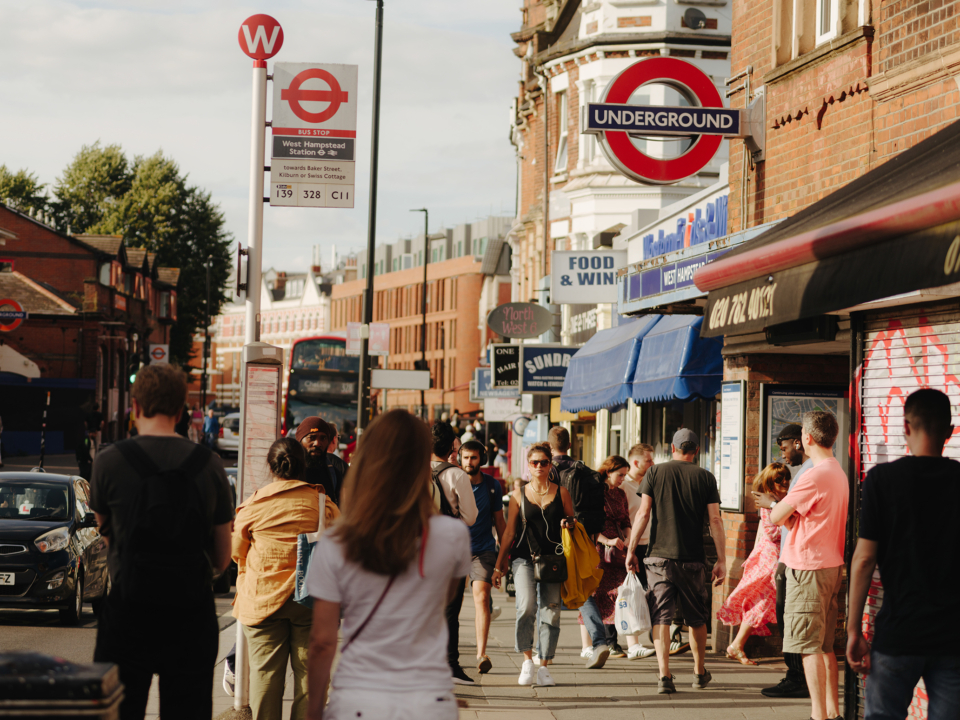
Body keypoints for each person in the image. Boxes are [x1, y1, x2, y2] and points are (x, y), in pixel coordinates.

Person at [305, 410, 471, 720]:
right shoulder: (453, 536)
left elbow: (322, 642)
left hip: (358, 699)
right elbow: (440, 604)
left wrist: (314, 709)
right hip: (428, 698)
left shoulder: (337, 542)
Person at [89, 364, 233, 720]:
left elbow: (107, 534)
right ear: (182, 411)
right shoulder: (210, 465)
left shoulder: (108, 462)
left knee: (118, 712)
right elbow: (222, 559)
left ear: (135, 408)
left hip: (128, 610)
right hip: (190, 614)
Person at [847, 389, 960, 720]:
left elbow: (864, 559)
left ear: (906, 427)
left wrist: (854, 630)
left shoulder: (882, 480)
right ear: (950, 432)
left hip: (898, 634)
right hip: (953, 638)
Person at [753, 411, 848, 720]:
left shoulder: (812, 475)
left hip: (807, 568)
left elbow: (779, 515)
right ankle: (832, 711)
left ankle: (818, 715)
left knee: (807, 646)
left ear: (807, 437)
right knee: (825, 646)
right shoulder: (837, 471)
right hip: (830, 565)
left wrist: (781, 509)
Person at [232, 438, 331, 720]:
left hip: (263, 599)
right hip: (311, 600)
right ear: (303, 466)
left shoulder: (252, 505)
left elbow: (237, 552)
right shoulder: (322, 503)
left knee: (265, 678)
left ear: (271, 466)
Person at [625, 428, 726, 694]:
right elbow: (715, 520)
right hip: (692, 558)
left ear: (673, 448)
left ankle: (664, 676)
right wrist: (722, 560)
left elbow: (643, 514)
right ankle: (699, 672)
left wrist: (631, 551)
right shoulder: (705, 477)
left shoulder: (655, 473)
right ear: (696, 450)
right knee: (696, 618)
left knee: (662, 617)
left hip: (658, 557)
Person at [493, 442, 575, 687]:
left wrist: (568, 523)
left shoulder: (561, 492)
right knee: (526, 606)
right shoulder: (518, 494)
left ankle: (544, 666)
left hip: (553, 560)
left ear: (550, 464)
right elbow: (508, 533)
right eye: (534, 462)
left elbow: (574, 523)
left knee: (551, 611)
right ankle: (527, 660)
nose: (539, 466)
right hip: (524, 559)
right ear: (527, 465)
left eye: (544, 462)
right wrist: (499, 566)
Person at [718, 462, 791, 664]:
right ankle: (737, 645)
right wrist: (791, 522)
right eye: (779, 479)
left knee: (765, 601)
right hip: (770, 559)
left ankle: (736, 645)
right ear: (769, 483)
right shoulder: (769, 503)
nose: (784, 481)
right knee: (764, 601)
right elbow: (772, 532)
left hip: (778, 558)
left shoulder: (782, 499)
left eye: (786, 477)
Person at [548, 427, 607, 668]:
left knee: (547, 595)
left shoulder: (545, 470)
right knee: (583, 591)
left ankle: (543, 654)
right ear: (570, 445)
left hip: (552, 540)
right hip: (579, 538)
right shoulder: (585, 472)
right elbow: (597, 514)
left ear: (550, 447)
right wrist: (590, 541)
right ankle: (600, 641)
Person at [762, 423, 811, 698]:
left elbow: (787, 517)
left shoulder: (808, 472)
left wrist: (772, 504)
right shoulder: (803, 471)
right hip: (789, 556)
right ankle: (795, 674)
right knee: (785, 617)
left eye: (784, 448)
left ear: (797, 442)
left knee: (789, 619)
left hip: (795, 559)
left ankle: (796, 677)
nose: (783, 455)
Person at [430, 421, 479, 685]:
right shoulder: (457, 475)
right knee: (450, 609)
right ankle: (450, 665)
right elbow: (470, 517)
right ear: (452, 447)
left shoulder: (413, 471)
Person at [577, 456, 632, 661]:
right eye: (620, 475)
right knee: (592, 594)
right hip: (596, 548)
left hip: (617, 550)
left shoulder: (620, 493)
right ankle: (587, 645)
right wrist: (606, 540)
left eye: (625, 475)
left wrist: (626, 540)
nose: (622, 479)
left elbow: (626, 519)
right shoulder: (594, 491)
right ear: (608, 472)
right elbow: (587, 524)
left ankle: (612, 642)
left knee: (618, 594)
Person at [459, 439, 506, 675]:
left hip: (483, 550)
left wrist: (503, 558)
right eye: (466, 457)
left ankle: (481, 653)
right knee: (451, 604)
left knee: (482, 596)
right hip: (456, 550)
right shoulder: (454, 481)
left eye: (474, 457)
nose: (469, 462)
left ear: (481, 459)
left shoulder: (492, 485)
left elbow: (500, 521)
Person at [621, 443, 657, 660]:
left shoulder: (649, 483)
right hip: (633, 547)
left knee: (652, 592)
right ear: (636, 462)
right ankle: (631, 643)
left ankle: (658, 637)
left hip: (652, 545)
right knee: (631, 592)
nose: (652, 464)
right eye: (649, 460)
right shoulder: (624, 486)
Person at [296, 417, 349, 507]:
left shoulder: (334, 474)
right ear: (300, 441)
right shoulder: (290, 472)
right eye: (311, 437)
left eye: (323, 438)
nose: (317, 443)